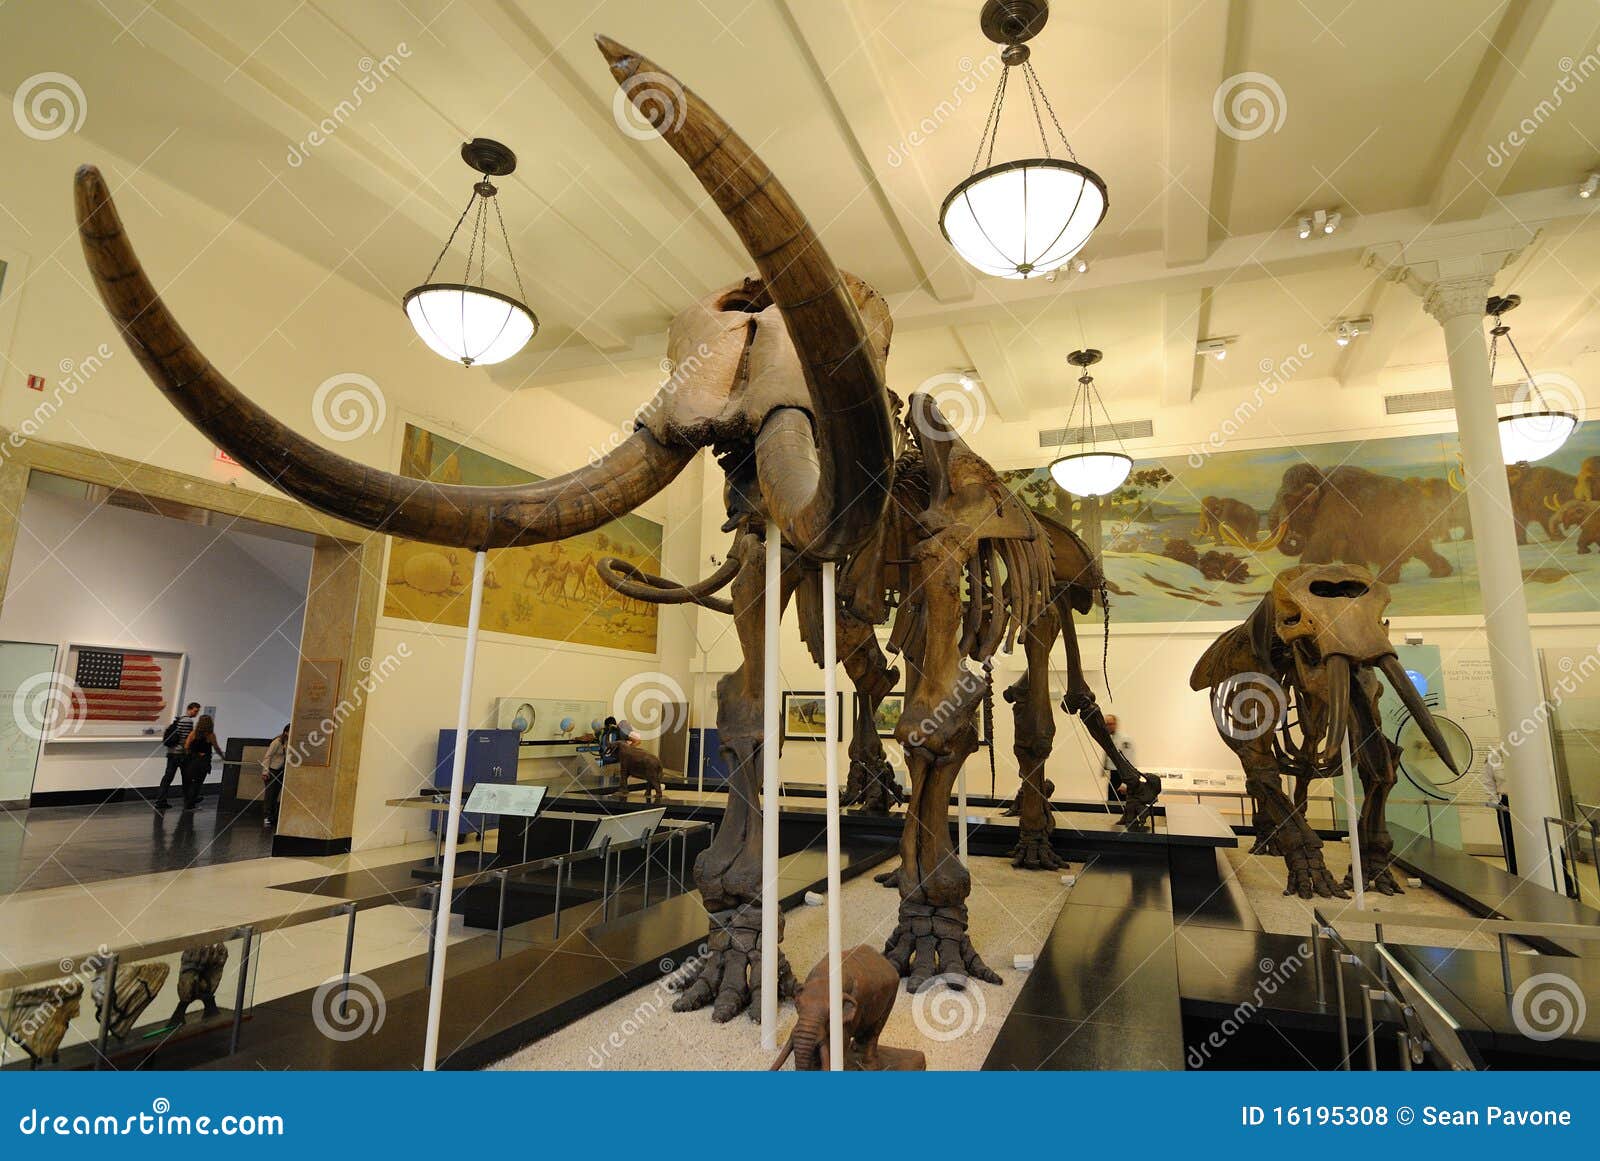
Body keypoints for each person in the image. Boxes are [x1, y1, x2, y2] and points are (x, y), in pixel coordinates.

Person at [155, 702, 201, 811]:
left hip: (171, 753)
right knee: (187, 778)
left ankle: (160, 801)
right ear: (189, 709)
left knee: (167, 778)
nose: (196, 713)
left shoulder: (179, 719)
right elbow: (187, 739)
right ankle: (189, 800)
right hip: (181, 754)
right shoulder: (188, 721)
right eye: (195, 711)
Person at [180, 714, 225, 812]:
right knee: (198, 783)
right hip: (204, 761)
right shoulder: (210, 735)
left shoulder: (193, 733)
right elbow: (216, 748)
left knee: (189, 782)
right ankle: (191, 805)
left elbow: (186, 746)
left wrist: (191, 754)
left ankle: (188, 803)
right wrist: (222, 756)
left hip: (192, 761)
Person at [1102, 714, 1136, 805]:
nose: (1107, 727)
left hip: (1121, 777)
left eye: (1109, 724)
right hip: (1113, 776)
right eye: (1105, 724)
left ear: (1115, 724)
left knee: (1122, 807)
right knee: (1112, 805)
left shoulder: (1124, 740)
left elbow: (1130, 762)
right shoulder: (1110, 738)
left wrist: (1125, 784)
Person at [261, 724, 289, 830]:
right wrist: (265, 771)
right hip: (272, 771)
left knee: (275, 796)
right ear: (286, 732)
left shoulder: (287, 743)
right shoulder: (277, 742)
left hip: (280, 771)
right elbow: (268, 756)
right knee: (269, 796)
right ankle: (266, 818)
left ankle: (272, 817)